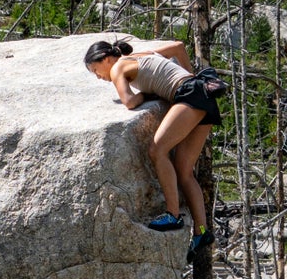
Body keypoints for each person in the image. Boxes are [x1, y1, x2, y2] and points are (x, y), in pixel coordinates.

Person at [83, 38, 219, 259]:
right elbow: (178, 47)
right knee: (184, 172)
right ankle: (201, 231)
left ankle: (173, 214)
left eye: (95, 70)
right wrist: (191, 76)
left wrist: (146, 95)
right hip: (204, 96)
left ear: (106, 59)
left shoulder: (117, 68)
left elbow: (129, 101)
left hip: (189, 97)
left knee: (157, 151)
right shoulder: (143, 54)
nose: (98, 77)